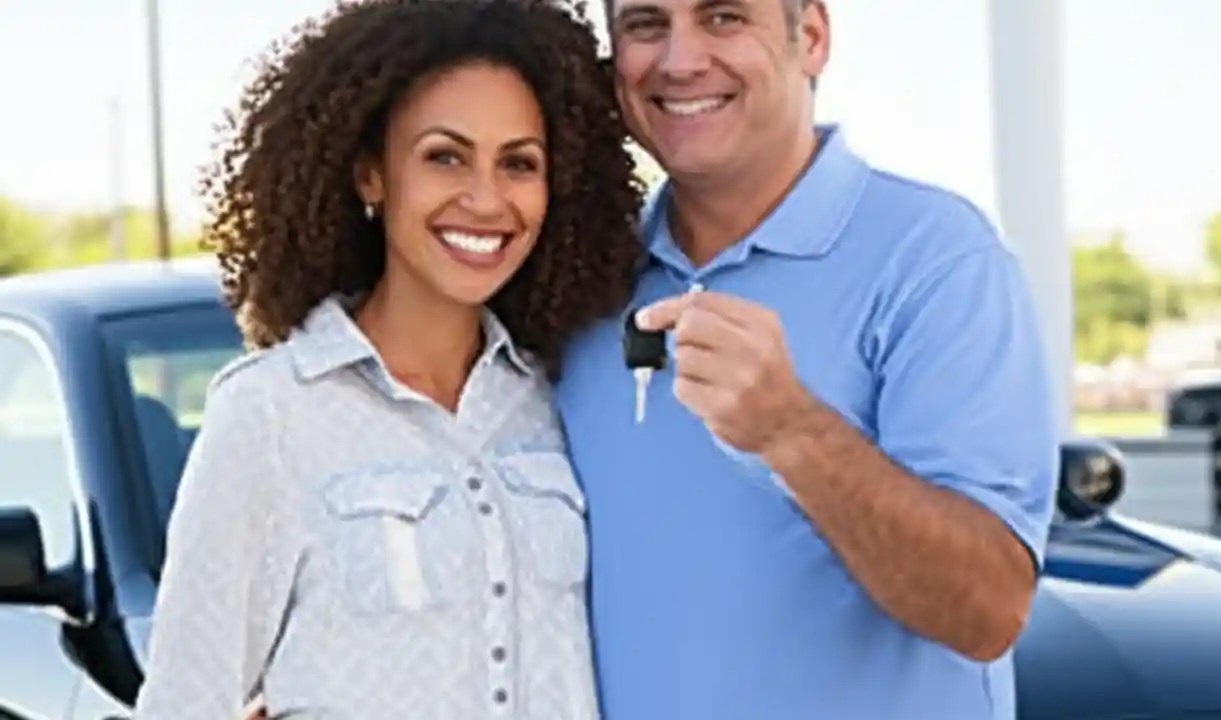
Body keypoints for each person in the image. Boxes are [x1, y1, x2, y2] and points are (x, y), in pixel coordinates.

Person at [132, 1, 643, 718]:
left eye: (519, 163)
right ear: (370, 172)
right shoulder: (271, 414)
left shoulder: (555, 401)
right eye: (445, 156)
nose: (485, 198)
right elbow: (186, 702)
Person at [552, 0, 1060, 718]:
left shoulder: (937, 259)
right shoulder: (578, 281)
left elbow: (987, 611)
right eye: (645, 24)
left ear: (812, 37)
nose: (680, 59)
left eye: (723, 18)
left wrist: (792, 429)